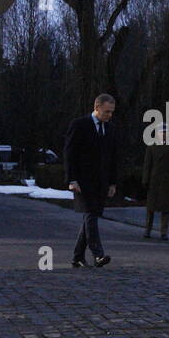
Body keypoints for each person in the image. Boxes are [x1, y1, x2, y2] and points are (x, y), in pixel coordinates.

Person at [64, 94, 120, 268]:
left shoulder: (110, 129)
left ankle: (77, 257)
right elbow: (69, 153)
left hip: (101, 182)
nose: (109, 115)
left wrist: (112, 183)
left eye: (111, 112)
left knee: (91, 216)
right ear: (96, 108)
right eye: (106, 111)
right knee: (90, 215)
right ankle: (98, 254)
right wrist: (71, 179)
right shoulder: (79, 125)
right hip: (82, 181)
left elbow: (113, 157)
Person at [141, 124, 169, 240]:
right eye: (161, 132)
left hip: (168, 181)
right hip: (154, 181)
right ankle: (147, 230)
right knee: (151, 208)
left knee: (166, 208)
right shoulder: (152, 146)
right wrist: (145, 180)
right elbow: (147, 165)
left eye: (165, 132)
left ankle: (164, 232)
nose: (163, 134)